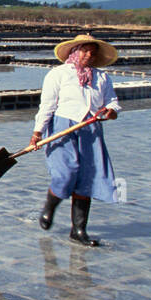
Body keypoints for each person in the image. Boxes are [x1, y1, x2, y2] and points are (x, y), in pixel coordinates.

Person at [28, 34, 121, 246]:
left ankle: (78, 231)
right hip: (63, 127)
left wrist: (110, 111)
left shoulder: (102, 78)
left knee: (87, 178)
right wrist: (37, 132)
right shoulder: (58, 74)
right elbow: (48, 105)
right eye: (85, 50)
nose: (89, 55)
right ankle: (49, 208)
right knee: (66, 172)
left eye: (93, 52)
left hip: (91, 129)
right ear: (74, 51)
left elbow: (113, 103)